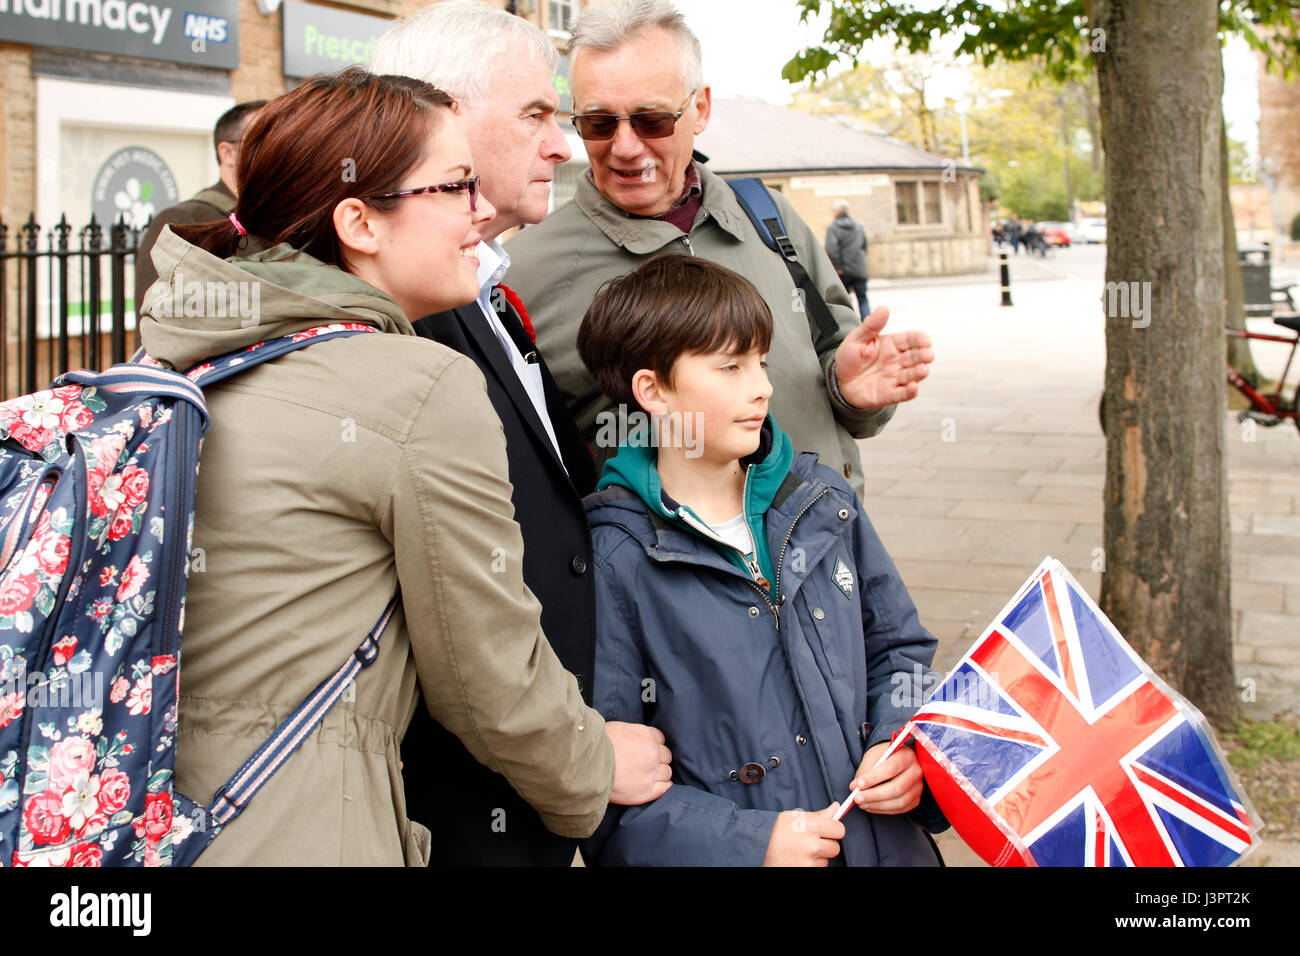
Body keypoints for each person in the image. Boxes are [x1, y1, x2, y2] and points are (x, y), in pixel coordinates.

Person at [141, 68, 664, 865]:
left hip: (153, 823)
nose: (482, 210)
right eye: (454, 187)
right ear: (360, 221)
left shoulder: (180, 357)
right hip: (302, 828)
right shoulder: (416, 383)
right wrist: (593, 764)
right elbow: (485, 670)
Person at [369, 1, 671, 866]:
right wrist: (580, 754)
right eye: (538, 115)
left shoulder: (486, 284)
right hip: (453, 809)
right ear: (441, 116)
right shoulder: (396, 314)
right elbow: (452, 622)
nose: (566, 145)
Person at [576, 255, 947, 866]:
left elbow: (900, 650)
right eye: (730, 366)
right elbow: (611, 784)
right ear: (653, 390)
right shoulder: (613, 553)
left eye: (762, 362)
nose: (763, 387)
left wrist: (904, 748)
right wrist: (750, 845)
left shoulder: (822, 500)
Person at [506, 0, 933, 501]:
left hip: (829, 543)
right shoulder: (524, 273)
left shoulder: (768, 215)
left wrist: (848, 388)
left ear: (701, 109)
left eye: (652, 120)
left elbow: (833, 350)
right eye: (599, 123)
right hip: (669, 575)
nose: (623, 147)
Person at [134, 101, 265, 297]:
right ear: (228, 153)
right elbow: (154, 318)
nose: (277, 149)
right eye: (262, 140)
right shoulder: (182, 220)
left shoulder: (283, 220)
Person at [824, 199, 870, 318]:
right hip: (859, 269)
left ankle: (852, 329)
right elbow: (864, 245)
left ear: (837, 212)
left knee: (845, 302)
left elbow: (831, 249)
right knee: (863, 299)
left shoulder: (833, 228)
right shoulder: (858, 226)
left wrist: (838, 267)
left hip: (843, 271)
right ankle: (869, 328)